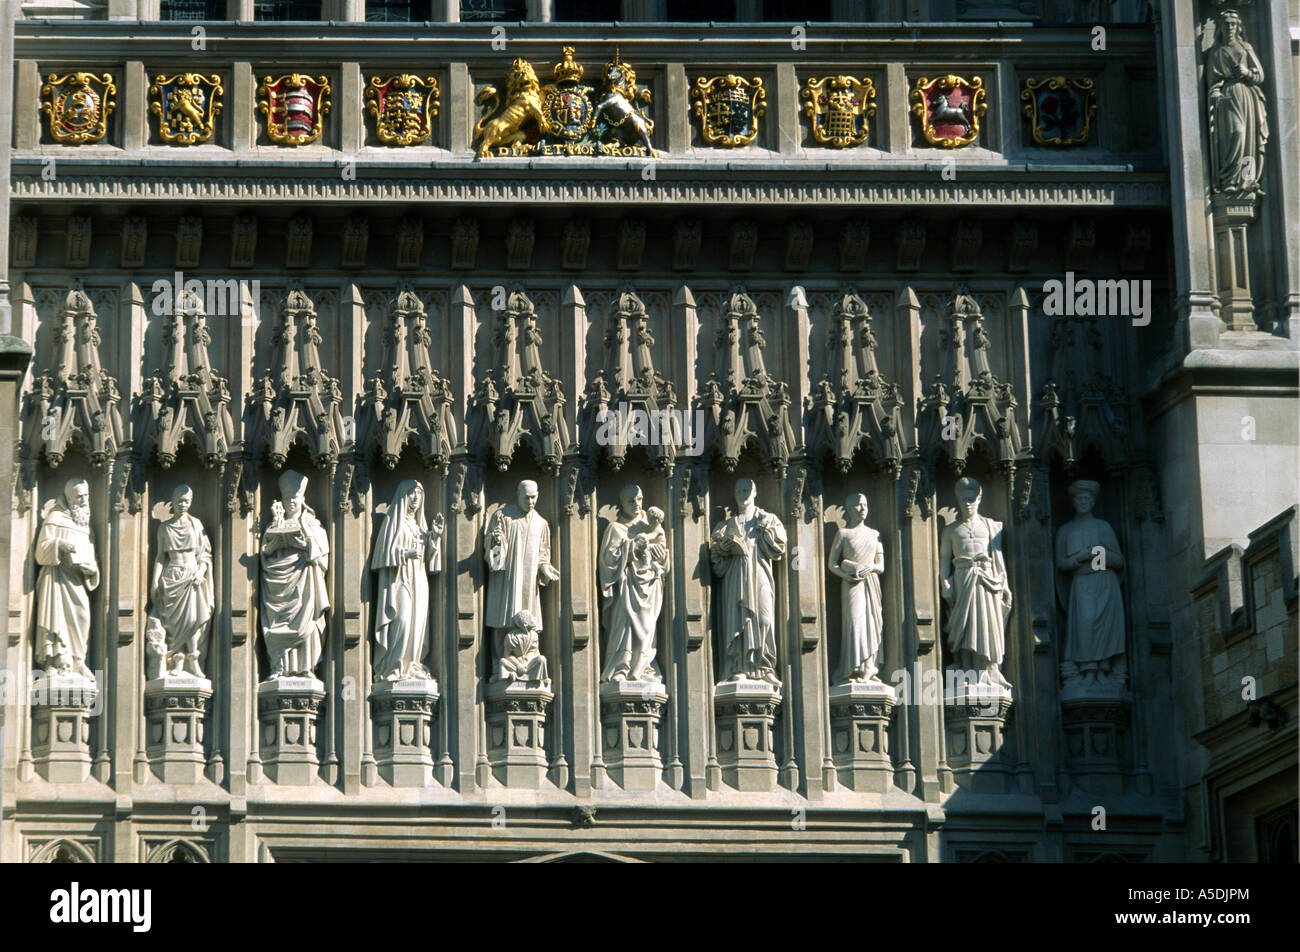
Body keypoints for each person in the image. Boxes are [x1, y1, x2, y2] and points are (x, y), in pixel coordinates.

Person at [709, 478, 787, 686]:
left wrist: (765, 530)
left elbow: (779, 547)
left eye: (747, 490)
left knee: (765, 619)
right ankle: (739, 667)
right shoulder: (726, 526)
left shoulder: (767, 519)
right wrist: (724, 548)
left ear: (755, 493)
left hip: (760, 574)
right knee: (737, 622)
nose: (743, 494)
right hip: (735, 578)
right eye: (739, 490)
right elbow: (716, 562)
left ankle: (765, 666)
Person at [939, 477, 1012, 690]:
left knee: (987, 625)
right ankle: (966, 670)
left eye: (971, 499)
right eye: (964, 500)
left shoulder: (991, 526)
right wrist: (945, 583)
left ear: (979, 500)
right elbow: (944, 560)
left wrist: (1005, 584)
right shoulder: (951, 530)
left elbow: (999, 559)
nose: (968, 503)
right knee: (965, 626)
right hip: (962, 579)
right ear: (958, 502)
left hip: (987, 580)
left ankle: (988, 671)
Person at [259, 470, 330, 679]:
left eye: (295, 497)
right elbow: (265, 554)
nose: (291, 501)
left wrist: (304, 543)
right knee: (277, 624)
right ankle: (278, 667)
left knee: (308, 622)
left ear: (302, 499)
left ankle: (306, 667)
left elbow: (320, 554)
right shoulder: (274, 523)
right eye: (287, 498)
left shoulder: (313, 525)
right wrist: (277, 525)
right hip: (279, 586)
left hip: (304, 581)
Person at [1055, 480, 1126, 687]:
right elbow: (1061, 564)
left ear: (1093, 502)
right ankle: (1087, 670)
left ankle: (1104, 669)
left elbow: (1119, 560)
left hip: (1104, 583)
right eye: (1079, 498)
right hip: (1081, 584)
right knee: (1085, 627)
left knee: (1106, 629)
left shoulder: (1103, 527)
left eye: (1087, 498)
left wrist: (1099, 554)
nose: (1083, 501)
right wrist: (1080, 558)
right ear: (1074, 502)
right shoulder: (1066, 530)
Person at [371, 480, 444, 682]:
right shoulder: (394, 522)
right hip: (399, 579)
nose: (416, 497)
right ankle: (393, 667)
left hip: (418, 579)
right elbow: (383, 555)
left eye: (419, 494)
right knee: (402, 620)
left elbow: (430, 561)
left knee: (417, 622)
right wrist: (405, 553)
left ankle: (412, 665)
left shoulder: (420, 525)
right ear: (403, 496)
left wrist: (434, 538)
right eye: (412, 493)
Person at [598, 485, 668, 684]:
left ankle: (643, 667)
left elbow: (664, 558)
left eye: (639, 499)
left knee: (648, 629)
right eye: (631, 500)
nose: (636, 504)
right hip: (626, 587)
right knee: (624, 627)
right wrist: (631, 547)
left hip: (650, 587)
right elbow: (607, 561)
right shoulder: (615, 528)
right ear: (621, 503)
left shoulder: (652, 527)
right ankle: (621, 666)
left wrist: (661, 556)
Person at [34, 478, 100, 681]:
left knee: (83, 617)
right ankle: (54, 661)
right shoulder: (55, 518)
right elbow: (40, 551)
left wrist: (91, 570)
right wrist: (59, 545)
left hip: (77, 581)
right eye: (79, 496)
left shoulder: (87, 527)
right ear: (69, 497)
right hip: (57, 580)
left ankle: (79, 661)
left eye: (86, 495)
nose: (84, 500)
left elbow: (92, 560)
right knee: (56, 619)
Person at [147, 484, 214, 678]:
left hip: (192, 575)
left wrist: (200, 572)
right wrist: (154, 581)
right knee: (172, 625)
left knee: (194, 619)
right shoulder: (164, 528)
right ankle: (176, 661)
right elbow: (161, 556)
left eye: (186, 501)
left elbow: (205, 555)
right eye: (179, 501)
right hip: (172, 576)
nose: (183, 504)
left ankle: (193, 660)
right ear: (172, 503)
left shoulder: (196, 525)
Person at [485, 479, 559, 637]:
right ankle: (499, 659)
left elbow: (543, 554)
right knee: (502, 622)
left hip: (529, 582)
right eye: (526, 497)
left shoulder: (541, 523)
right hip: (507, 581)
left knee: (529, 624)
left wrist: (544, 567)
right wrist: (496, 543)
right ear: (518, 495)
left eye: (533, 497)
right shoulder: (503, 517)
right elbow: (496, 561)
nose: (530, 502)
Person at [1207, 10, 1269, 196]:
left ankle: (1246, 179)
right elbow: (1213, 80)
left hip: (1247, 95)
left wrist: (1247, 72)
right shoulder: (1216, 52)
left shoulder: (1245, 47)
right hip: (1229, 97)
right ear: (1220, 27)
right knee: (1236, 133)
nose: (1230, 28)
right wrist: (1215, 91)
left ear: (1239, 27)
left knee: (1248, 138)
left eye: (1233, 24)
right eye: (1226, 24)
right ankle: (1229, 179)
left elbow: (1260, 75)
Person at [829, 493, 885, 684]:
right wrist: (846, 575)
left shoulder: (874, 534)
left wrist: (871, 568)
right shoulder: (843, 534)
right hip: (852, 584)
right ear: (850, 509)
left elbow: (881, 565)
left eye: (865, 505)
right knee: (855, 624)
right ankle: (852, 669)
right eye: (859, 505)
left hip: (871, 583)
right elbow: (832, 564)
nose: (863, 509)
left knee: (872, 624)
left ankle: (869, 667)